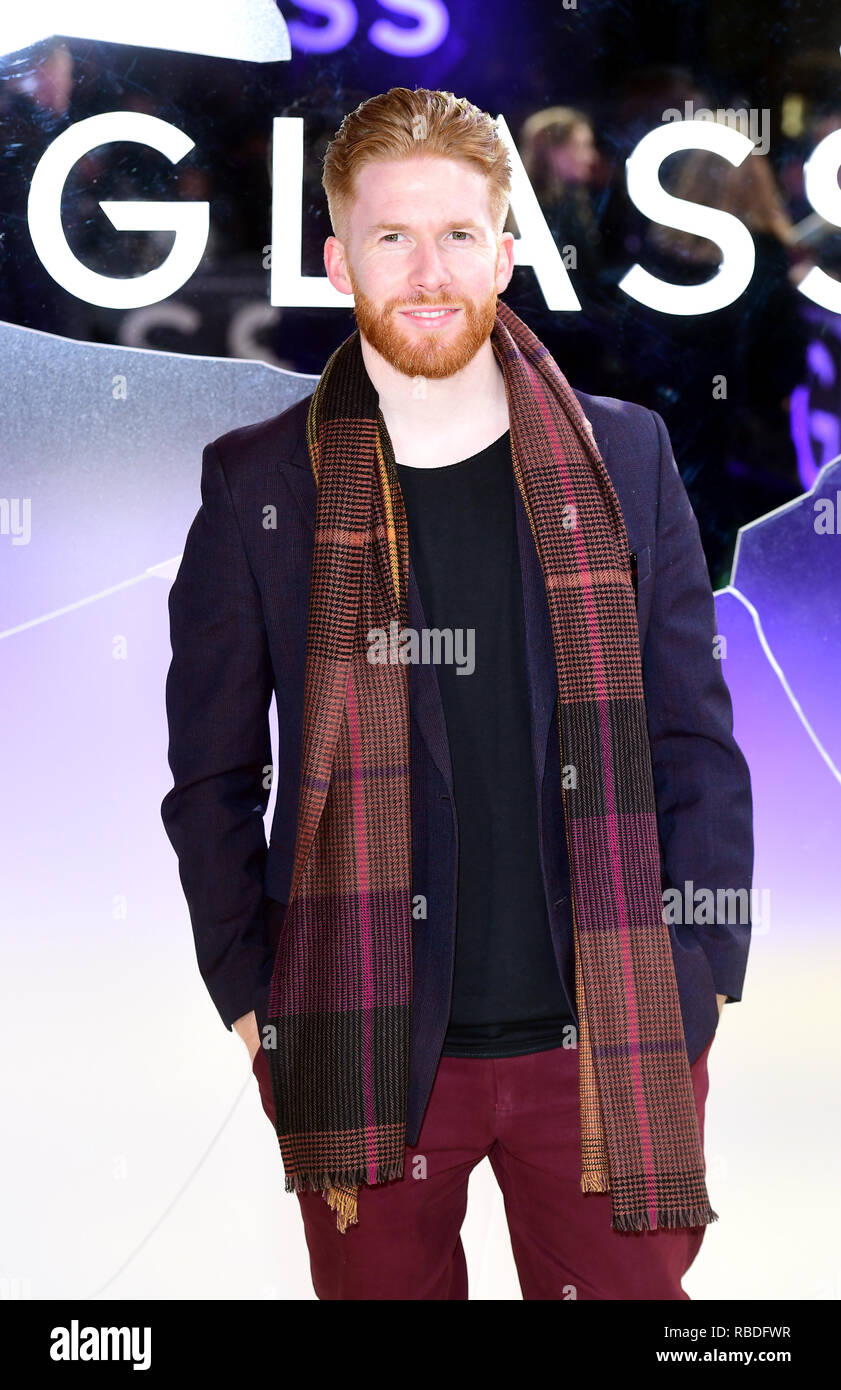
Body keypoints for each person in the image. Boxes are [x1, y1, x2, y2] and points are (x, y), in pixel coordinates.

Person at [160, 87, 753, 1301]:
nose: (427, 272)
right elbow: (214, 774)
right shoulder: (257, 482)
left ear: (508, 247)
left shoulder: (625, 456)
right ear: (338, 259)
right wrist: (252, 1001)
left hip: (606, 1042)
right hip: (359, 1044)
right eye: (391, 237)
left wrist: (701, 973)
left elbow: (693, 736)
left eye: (458, 235)